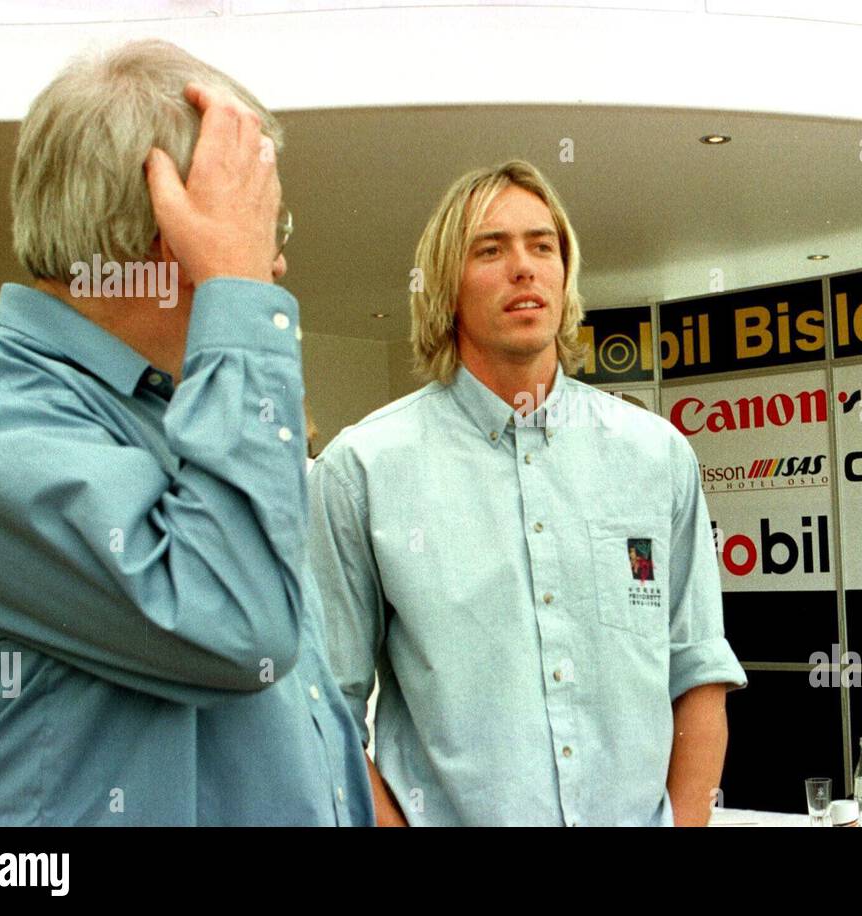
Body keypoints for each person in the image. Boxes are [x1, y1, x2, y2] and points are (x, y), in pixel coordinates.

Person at [0, 40, 371, 826]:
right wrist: (235, 293)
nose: (280, 257)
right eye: (265, 221)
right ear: (175, 229)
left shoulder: (187, 413)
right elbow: (233, 623)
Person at [308, 160, 746, 826]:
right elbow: (323, 714)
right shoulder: (364, 469)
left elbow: (699, 676)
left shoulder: (656, 456)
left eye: (543, 245)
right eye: (491, 249)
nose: (524, 267)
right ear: (442, 287)